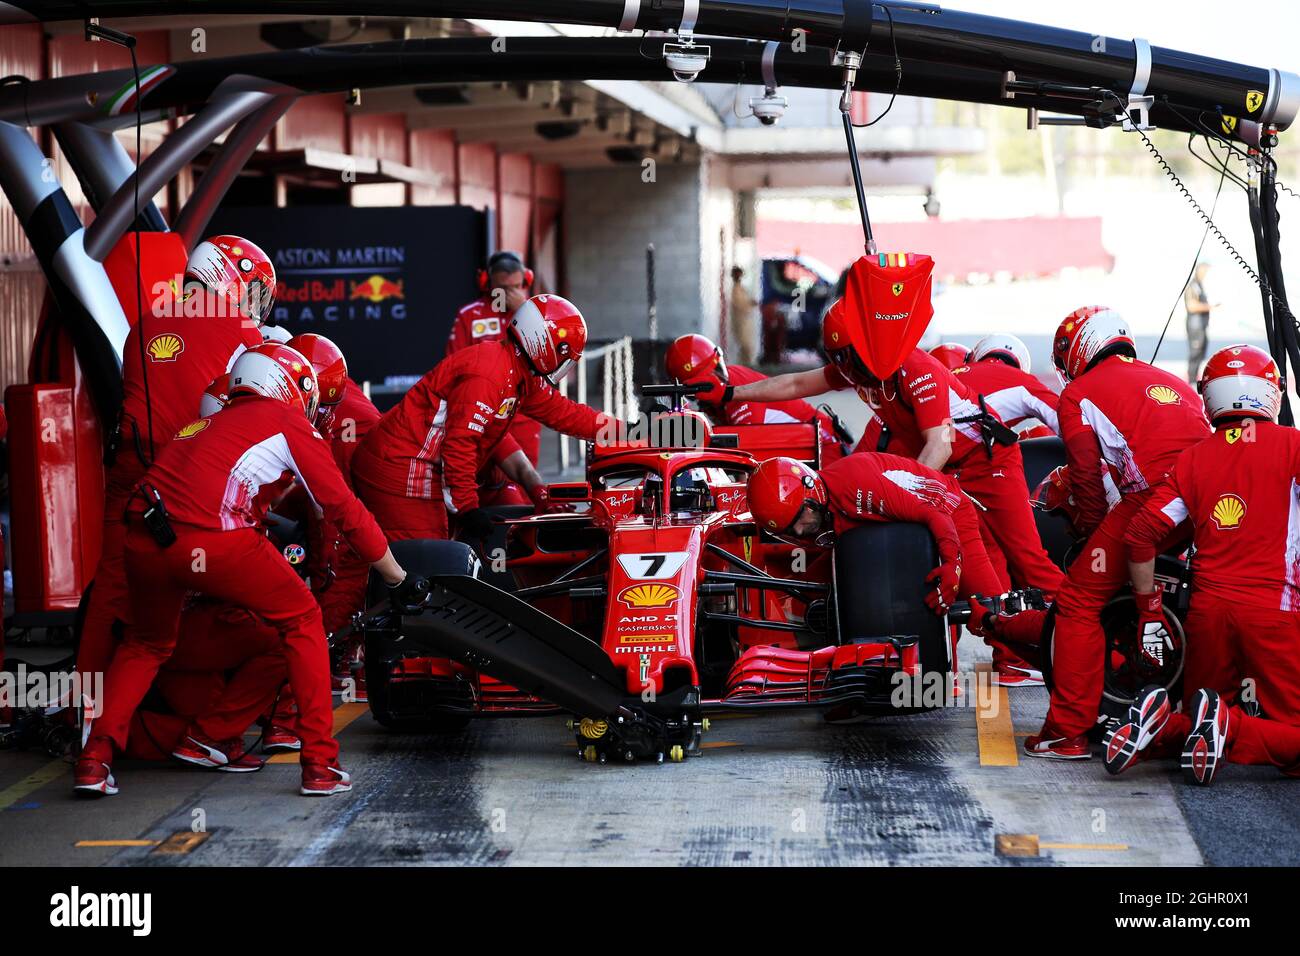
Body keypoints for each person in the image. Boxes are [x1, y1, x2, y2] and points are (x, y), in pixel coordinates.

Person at [74, 342, 425, 799]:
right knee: (302, 623)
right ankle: (319, 762)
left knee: (145, 644)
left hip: (145, 536)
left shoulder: (200, 424)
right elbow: (342, 508)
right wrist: (397, 576)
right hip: (211, 539)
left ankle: (93, 759)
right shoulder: (284, 419)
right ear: (290, 386)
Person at [695, 300, 1063, 600]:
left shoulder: (917, 367)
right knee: (958, 568)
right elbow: (794, 383)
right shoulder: (855, 369)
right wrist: (730, 393)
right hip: (948, 471)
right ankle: (1005, 660)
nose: (844, 368)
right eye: (837, 358)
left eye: (849, 357)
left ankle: (1076, 635)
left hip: (988, 462)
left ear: (870, 343)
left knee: (1026, 558)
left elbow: (940, 443)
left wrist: (902, 503)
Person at [972, 306, 1211, 758]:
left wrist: (1090, 534)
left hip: (1155, 498)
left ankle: (1067, 732)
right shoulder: (1173, 382)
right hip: (1206, 499)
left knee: (1078, 602)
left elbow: (1085, 476)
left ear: (1076, 351)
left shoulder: (1079, 392)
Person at [77, 235, 271, 693]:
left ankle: (84, 704)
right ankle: (191, 700)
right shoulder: (242, 332)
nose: (256, 303)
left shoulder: (142, 324)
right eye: (254, 289)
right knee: (213, 583)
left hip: (130, 468)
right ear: (231, 277)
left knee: (111, 586)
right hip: (186, 476)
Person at [1107, 344, 1300, 784]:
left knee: (1201, 712)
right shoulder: (1293, 446)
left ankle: (1161, 727)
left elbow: (1140, 535)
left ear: (1208, 395)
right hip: (1274, 610)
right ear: (1272, 392)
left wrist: (1149, 610)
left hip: (1208, 613)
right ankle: (1230, 728)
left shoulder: (1193, 459)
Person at [352, 294, 620, 543]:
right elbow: (460, 443)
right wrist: (468, 508)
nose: (564, 364)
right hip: (400, 466)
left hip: (417, 463)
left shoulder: (517, 371)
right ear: (544, 344)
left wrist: (630, 432)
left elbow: (567, 414)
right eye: (564, 354)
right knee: (433, 565)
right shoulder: (490, 373)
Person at [746, 454, 1005, 615]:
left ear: (811, 493)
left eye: (799, 519)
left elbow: (933, 515)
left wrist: (952, 564)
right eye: (790, 529)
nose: (800, 531)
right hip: (899, 537)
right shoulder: (817, 509)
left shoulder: (855, 486)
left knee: (989, 608)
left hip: (948, 510)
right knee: (800, 594)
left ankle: (1016, 664)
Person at [665, 334, 846, 464]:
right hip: (792, 449)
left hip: (823, 445)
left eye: (717, 370)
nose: (718, 379)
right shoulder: (715, 398)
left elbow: (747, 461)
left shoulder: (737, 392)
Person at [446, 251, 541, 466]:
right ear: (487, 283)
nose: (510, 294)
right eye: (503, 289)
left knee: (526, 485)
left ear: (526, 280)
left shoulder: (534, 313)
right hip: (484, 416)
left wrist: (524, 311)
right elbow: (454, 367)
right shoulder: (469, 315)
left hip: (524, 413)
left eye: (516, 287)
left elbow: (547, 357)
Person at [1184, 261, 1215, 383]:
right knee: (1195, 354)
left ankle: (1194, 378)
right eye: (1204, 271)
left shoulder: (1199, 285)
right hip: (1195, 326)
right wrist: (1210, 307)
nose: (1205, 274)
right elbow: (1191, 306)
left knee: (1201, 353)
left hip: (1201, 325)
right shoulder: (1193, 286)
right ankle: (1191, 382)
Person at [729, 266, 758, 366]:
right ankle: (744, 367)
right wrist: (750, 304)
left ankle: (745, 366)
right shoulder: (735, 289)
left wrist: (751, 303)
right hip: (740, 321)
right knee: (745, 346)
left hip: (745, 320)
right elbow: (739, 305)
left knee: (747, 346)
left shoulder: (740, 288)